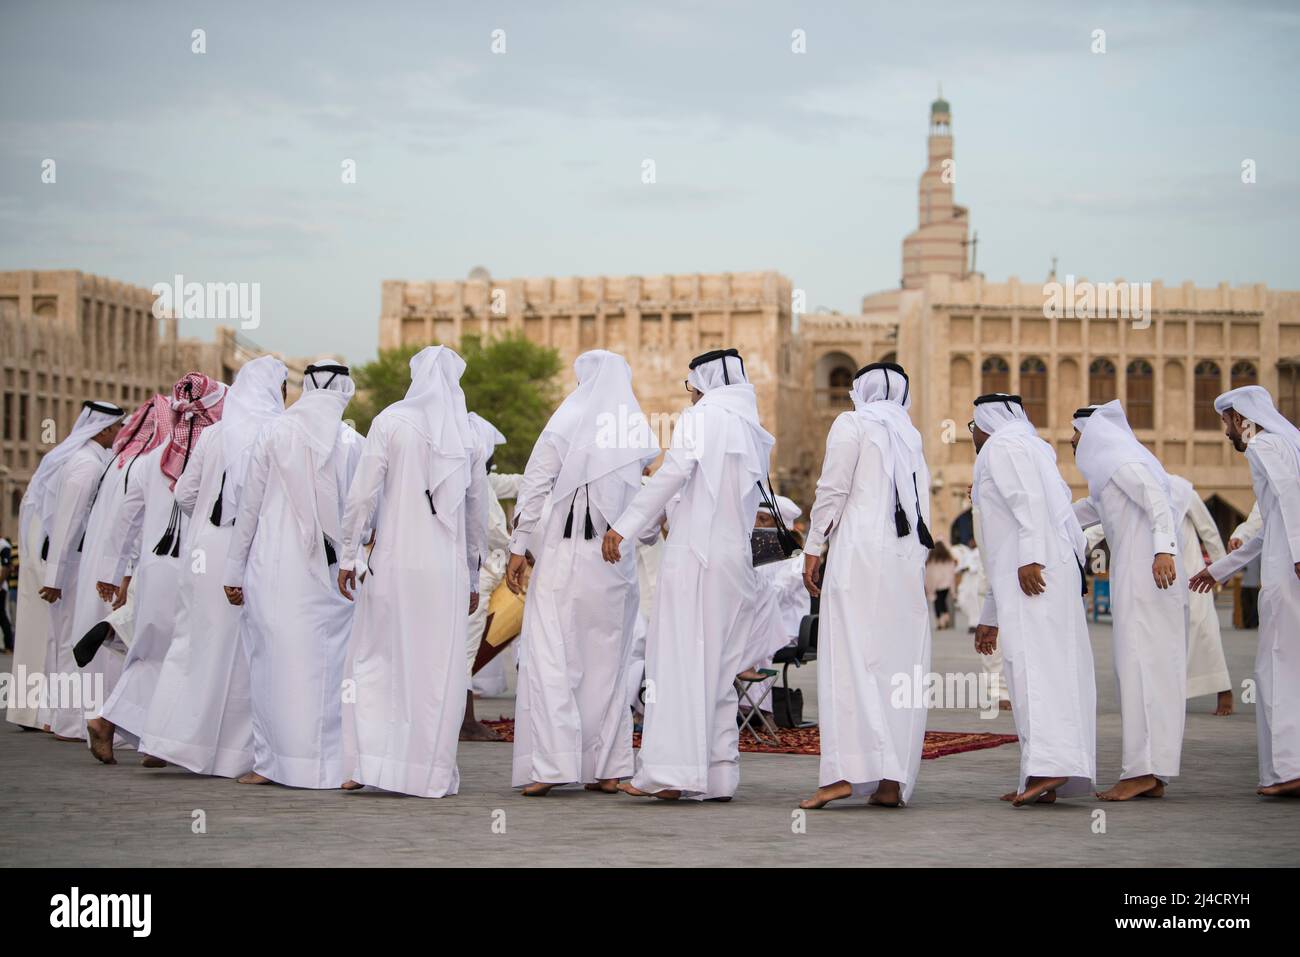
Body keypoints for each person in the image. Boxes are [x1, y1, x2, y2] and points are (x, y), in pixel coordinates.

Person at [602, 348, 770, 801]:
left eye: (691, 383)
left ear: (704, 382)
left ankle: (670, 775)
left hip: (695, 556)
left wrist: (625, 524)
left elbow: (673, 474)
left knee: (676, 663)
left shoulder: (702, 417)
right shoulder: (753, 428)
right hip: (736, 561)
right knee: (719, 668)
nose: (690, 391)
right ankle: (717, 776)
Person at [506, 349, 659, 795]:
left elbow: (534, 485)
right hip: (615, 563)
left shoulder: (565, 420)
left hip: (564, 556)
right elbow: (645, 502)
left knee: (553, 656)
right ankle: (606, 768)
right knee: (608, 664)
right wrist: (639, 537)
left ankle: (552, 767)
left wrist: (518, 547)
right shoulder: (634, 429)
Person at [337, 346, 485, 798]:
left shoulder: (390, 421)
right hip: (445, 571)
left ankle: (365, 764)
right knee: (437, 668)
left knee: (375, 659)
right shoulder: (470, 434)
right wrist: (473, 573)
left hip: (394, 564)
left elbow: (362, 495)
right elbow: (476, 514)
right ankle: (429, 773)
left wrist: (347, 554)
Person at [137, 357, 288, 777]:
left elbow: (184, 492)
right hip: (247, 554)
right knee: (242, 655)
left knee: (191, 646)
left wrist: (207, 516)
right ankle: (232, 755)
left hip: (202, 551)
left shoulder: (215, 434)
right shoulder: (276, 434)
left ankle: (167, 740)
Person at [798, 362, 933, 810]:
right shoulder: (909, 436)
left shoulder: (852, 423)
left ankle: (844, 774)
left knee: (850, 661)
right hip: (903, 561)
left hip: (859, 557)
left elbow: (832, 489)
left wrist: (814, 547)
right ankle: (890, 780)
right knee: (897, 667)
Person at [222, 360, 361, 788]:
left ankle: (273, 765)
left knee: (272, 665)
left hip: (273, 567)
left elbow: (248, 507)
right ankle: (330, 766)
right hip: (332, 570)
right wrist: (355, 558)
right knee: (329, 667)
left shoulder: (274, 432)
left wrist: (233, 567)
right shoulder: (351, 440)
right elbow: (361, 513)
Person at [90, 374, 225, 764]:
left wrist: (111, 569)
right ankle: (110, 721)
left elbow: (126, 516)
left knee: (153, 654)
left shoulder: (153, 459)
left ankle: (154, 741)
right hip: (189, 571)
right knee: (178, 656)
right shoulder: (211, 455)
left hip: (154, 569)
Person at [969, 393, 1096, 807]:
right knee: (1034, 669)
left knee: (1038, 670)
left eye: (972, 428)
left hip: (1035, 575)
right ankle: (1039, 772)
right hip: (1035, 574)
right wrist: (991, 614)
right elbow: (999, 544)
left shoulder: (1004, 445)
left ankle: (1049, 768)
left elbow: (1030, 505)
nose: (973, 436)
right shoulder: (1030, 445)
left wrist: (1031, 558)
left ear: (984, 423)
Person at [1071, 401, 1187, 801]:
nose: (1071, 441)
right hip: (1142, 576)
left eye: (1075, 434)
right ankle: (1152, 772)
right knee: (1145, 669)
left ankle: (1140, 772)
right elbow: (1078, 515)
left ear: (1092, 433)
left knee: (1138, 667)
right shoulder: (1109, 475)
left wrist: (1164, 550)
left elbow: (1157, 500)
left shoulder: (1120, 461)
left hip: (1147, 575)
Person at [1189, 385, 1300, 797]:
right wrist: (1219, 569)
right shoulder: (1283, 445)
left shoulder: (1262, 446)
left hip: (1287, 575)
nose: (1226, 432)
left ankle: (1289, 769)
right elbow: (1267, 525)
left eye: (1226, 422)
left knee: (1277, 667)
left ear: (1241, 419)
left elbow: (1290, 497)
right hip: (1285, 566)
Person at [68, 396, 171, 754]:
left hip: (137, 565)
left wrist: (118, 572)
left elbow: (124, 521)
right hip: (162, 567)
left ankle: (136, 734)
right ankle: (128, 729)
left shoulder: (126, 462)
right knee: (168, 654)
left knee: (154, 650)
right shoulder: (168, 463)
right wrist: (125, 574)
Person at [31, 401, 126, 738]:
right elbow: (67, 525)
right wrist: (55, 580)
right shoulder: (86, 465)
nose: (118, 435)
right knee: (72, 642)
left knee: (62, 642)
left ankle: (55, 716)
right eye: (116, 429)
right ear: (102, 430)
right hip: (70, 565)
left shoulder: (83, 459)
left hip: (69, 563)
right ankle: (70, 723)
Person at [462, 411, 520, 730]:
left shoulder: (468, 478)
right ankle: (465, 723)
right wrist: (521, 551)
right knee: (466, 651)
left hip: (466, 577)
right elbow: (494, 531)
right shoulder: (476, 483)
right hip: (477, 580)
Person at [1169, 475, 1233, 715]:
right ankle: (1169, 695)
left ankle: (1223, 690)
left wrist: (1221, 569)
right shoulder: (1134, 490)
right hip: (1157, 578)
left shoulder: (1182, 491)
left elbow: (1209, 531)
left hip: (1192, 573)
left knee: (1204, 628)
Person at [925, 540, 958, 629]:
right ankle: (945, 617)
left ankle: (940, 621)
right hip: (946, 584)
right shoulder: (948, 559)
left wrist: (929, 587)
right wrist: (953, 590)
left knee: (937, 602)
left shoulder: (931, 560)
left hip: (935, 584)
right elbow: (951, 572)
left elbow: (929, 574)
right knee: (942, 601)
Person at [0, 532, 13, 651]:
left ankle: (9, 645)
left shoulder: (3, 545)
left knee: (2, 615)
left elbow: (6, 567)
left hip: (1, 587)